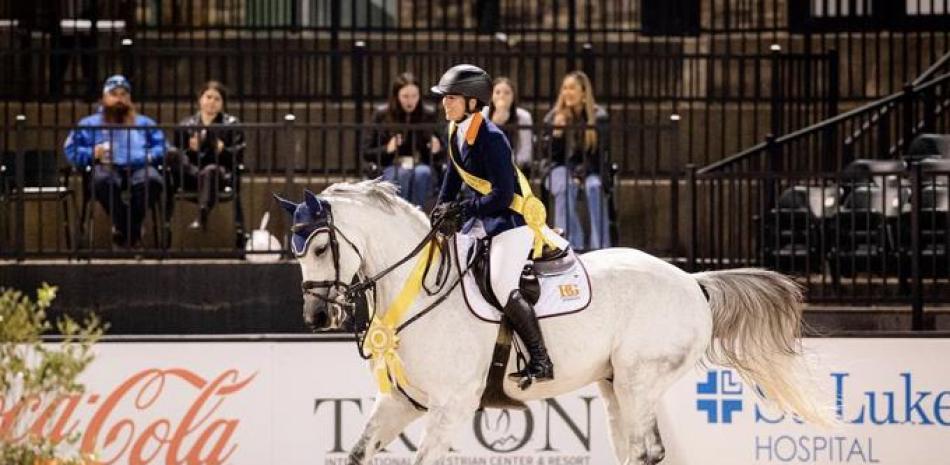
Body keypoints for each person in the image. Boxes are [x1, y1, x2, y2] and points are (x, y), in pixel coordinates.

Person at [430, 64, 568, 389]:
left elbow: (503, 195)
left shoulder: (491, 138)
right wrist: (438, 211)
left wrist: (463, 211)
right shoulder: (456, 130)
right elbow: (453, 177)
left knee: (502, 283)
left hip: (511, 220)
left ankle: (540, 359)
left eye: (452, 98)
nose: (445, 104)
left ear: (473, 102)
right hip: (484, 219)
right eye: (445, 98)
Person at [63, 75, 166, 248]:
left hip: (140, 166)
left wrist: (150, 156)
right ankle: (131, 231)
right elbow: (71, 150)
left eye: (123, 94)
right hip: (105, 167)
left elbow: (162, 146)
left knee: (153, 180)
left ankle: (122, 230)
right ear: (104, 98)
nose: (119, 98)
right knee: (102, 181)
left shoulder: (144, 122)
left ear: (129, 98)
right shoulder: (88, 123)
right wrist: (92, 153)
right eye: (114, 94)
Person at [543, 71, 611, 250]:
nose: (567, 92)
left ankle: (601, 247)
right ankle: (569, 246)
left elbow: (598, 154)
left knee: (594, 187)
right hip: (558, 167)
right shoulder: (553, 117)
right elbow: (549, 156)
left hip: (590, 169)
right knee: (565, 186)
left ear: (583, 93)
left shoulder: (599, 117)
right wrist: (557, 134)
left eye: (572, 88)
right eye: (565, 88)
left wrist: (580, 174)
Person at [168, 80, 246, 230]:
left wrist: (223, 150)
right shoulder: (186, 124)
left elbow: (238, 157)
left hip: (218, 176)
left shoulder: (231, 124)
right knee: (171, 154)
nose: (212, 102)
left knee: (210, 170)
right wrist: (191, 150)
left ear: (222, 103)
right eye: (208, 97)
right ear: (200, 99)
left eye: (217, 99)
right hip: (191, 175)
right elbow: (179, 154)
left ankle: (202, 212)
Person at [362, 72, 443, 208]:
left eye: (414, 96)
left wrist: (436, 149)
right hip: (390, 165)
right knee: (401, 174)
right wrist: (388, 148)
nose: (410, 101)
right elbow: (367, 151)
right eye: (405, 96)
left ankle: (416, 215)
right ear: (396, 96)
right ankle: (399, 217)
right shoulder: (382, 115)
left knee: (422, 173)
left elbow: (443, 153)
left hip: (420, 165)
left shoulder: (428, 114)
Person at [488, 77, 534, 174]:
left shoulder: (523, 117)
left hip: (514, 168)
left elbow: (526, 150)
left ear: (513, 97)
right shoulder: (483, 115)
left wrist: (507, 163)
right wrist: (495, 123)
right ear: (491, 97)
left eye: (507, 93)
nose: (502, 96)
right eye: (497, 92)